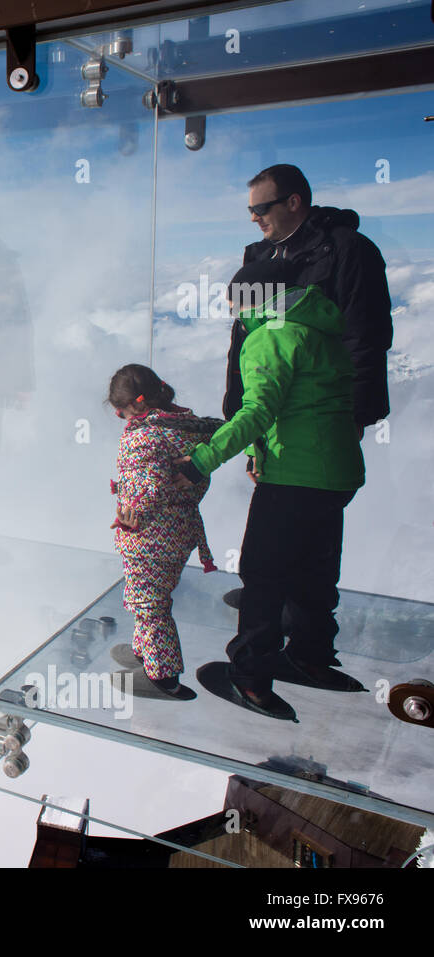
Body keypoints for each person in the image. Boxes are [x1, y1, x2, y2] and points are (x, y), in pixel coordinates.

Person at [178, 259, 365, 721]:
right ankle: (311, 656)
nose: (235, 320)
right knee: (315, 572)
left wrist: (201, 460)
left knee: (262, 575)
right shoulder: (320, 330)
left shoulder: (270, 337)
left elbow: (256, 411)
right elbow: (309, 406)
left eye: (235, 309)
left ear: (253, 301)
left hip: (294, 478)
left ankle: (251, 680)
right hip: (335, 475)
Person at [226, 164, 393, 438]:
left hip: (323, 417)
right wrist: (248, 427)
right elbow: (245, 337)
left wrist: (353, 417)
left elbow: (365, 336)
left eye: (262, 208)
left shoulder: (349, 250)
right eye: (250, 210)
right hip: (269, 416)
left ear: (293, 202)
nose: (254, 218)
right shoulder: (259, 257)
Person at [107, 365, 223, 699]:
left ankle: (163, 677)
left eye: (121, 411)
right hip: (181, 528)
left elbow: (149, 485)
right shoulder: (188, 427)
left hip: (151, 535)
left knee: (149, 603)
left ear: (137, 406)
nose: (120, 416)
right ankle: (144, 652)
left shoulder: (144, 436)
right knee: (150, 595)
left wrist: (132, 515)